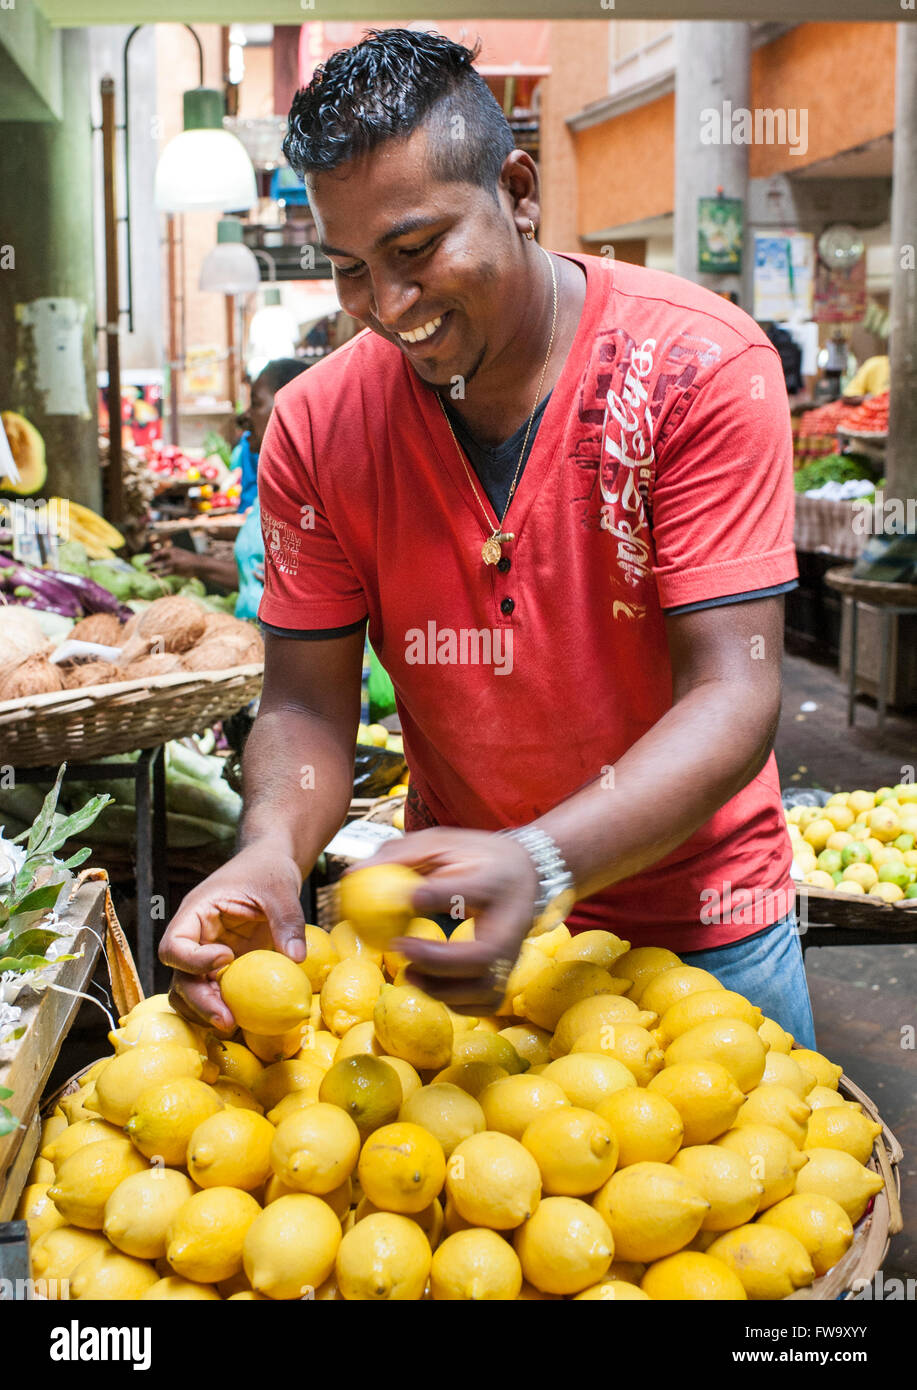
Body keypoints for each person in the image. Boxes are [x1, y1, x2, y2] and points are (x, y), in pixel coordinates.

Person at [161, 30, 814, 1047]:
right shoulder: (316, 425)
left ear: (517, 189)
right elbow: (305, 703)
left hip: (700, 935)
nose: (385, 307)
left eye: (414, 251)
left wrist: (546, 860)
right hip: (453, 942)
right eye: (349, 269)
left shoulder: (694, 367)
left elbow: (734, 689)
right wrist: (271, 851)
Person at [150, 359, 308, 607]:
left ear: (290, 408)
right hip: (252, 636)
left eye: (255, 404)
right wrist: (196, 564)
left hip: (289, 643)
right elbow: (255, 577)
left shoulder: (313, 498)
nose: (245, 417)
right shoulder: (270, 489)